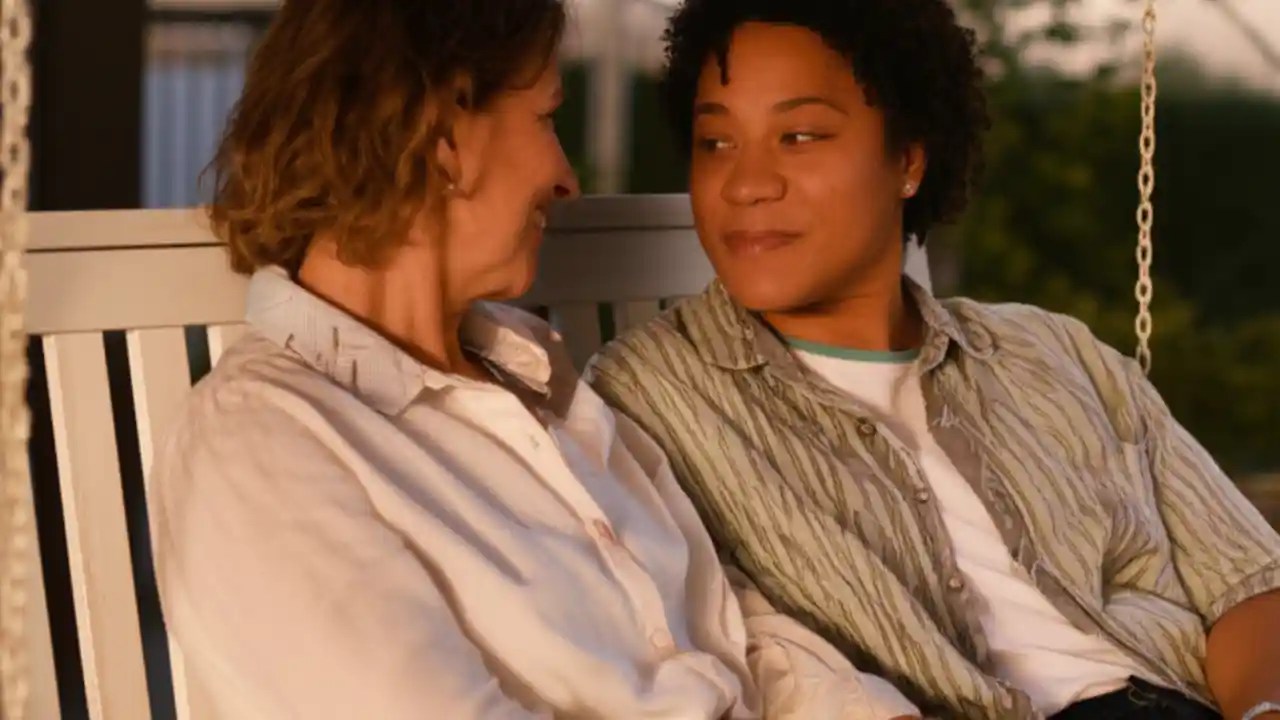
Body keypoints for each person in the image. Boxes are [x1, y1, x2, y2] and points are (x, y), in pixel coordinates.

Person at [150, 1, 922, 718]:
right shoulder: (264, 441)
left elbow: (739, 637)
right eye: (548, 117)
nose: (566, 178)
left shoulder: (535, 387)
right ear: (443, 136)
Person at [587, 1, 1280, 719]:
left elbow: (1249, 581)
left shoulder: (1054, 354)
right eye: (715, 142)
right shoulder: (646, 400)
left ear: (908, 161)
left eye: (798, 135)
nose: (745, 183)